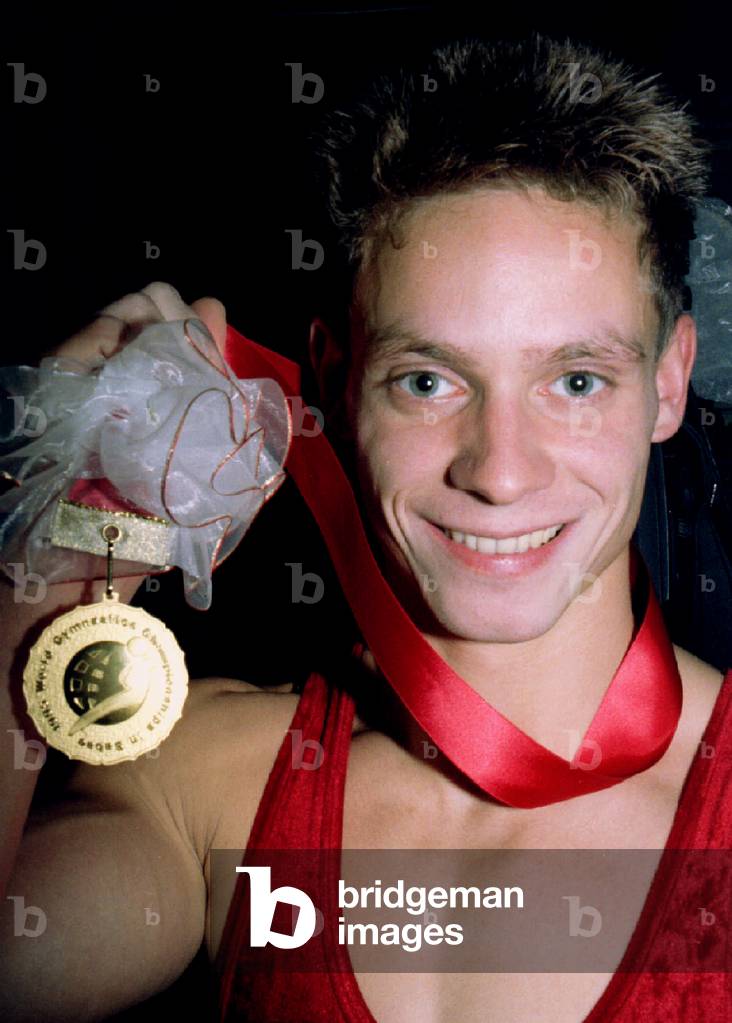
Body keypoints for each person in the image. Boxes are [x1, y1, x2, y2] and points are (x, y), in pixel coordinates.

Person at [2, 31, 732, 1023]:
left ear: (669, 381)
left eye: (575, 380)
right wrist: (49, 566)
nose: (499, 470)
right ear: (339, 386)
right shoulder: (207, 782)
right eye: (427, 379)